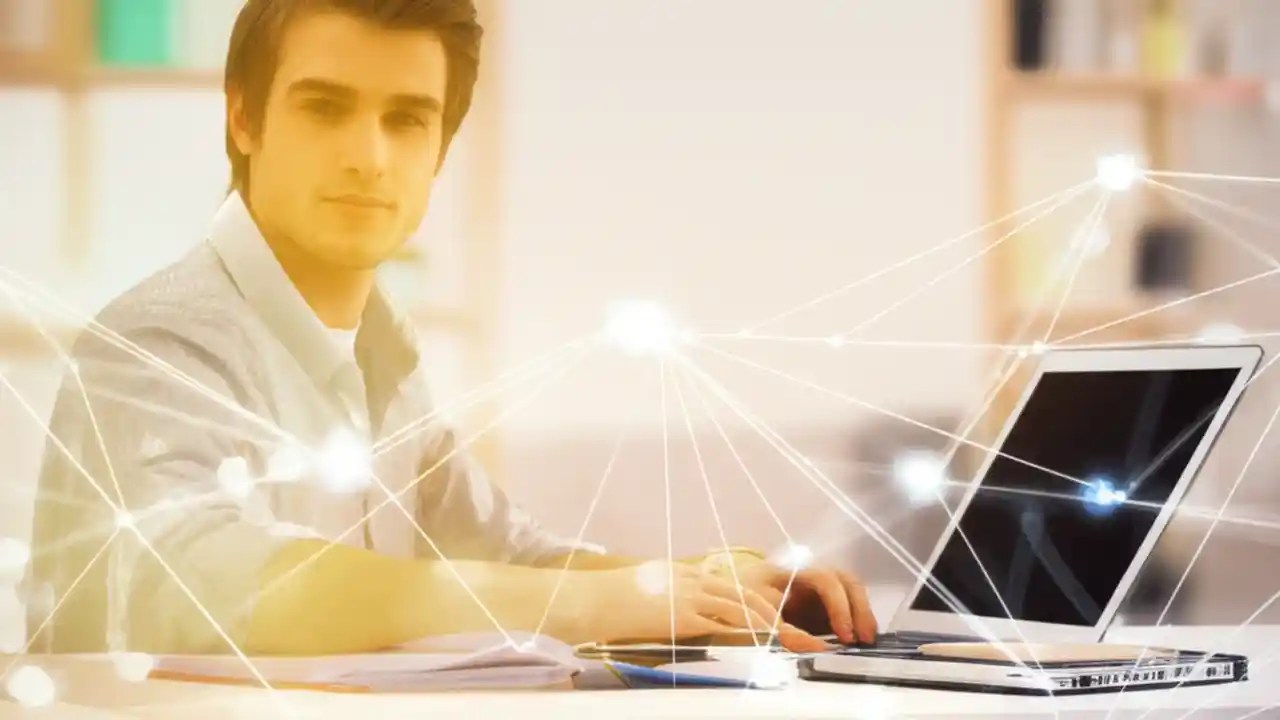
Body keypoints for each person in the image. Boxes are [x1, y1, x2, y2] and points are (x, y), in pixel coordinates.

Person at [27, 0, 876, 656]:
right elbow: (215, 579)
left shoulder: (379, 355)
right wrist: (589, 604)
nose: (370, 155)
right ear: (243, 118)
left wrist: (708, 584)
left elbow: (512, 556)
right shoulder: (156, 342)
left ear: (439, 147)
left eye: (407, 119)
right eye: (326, 108)